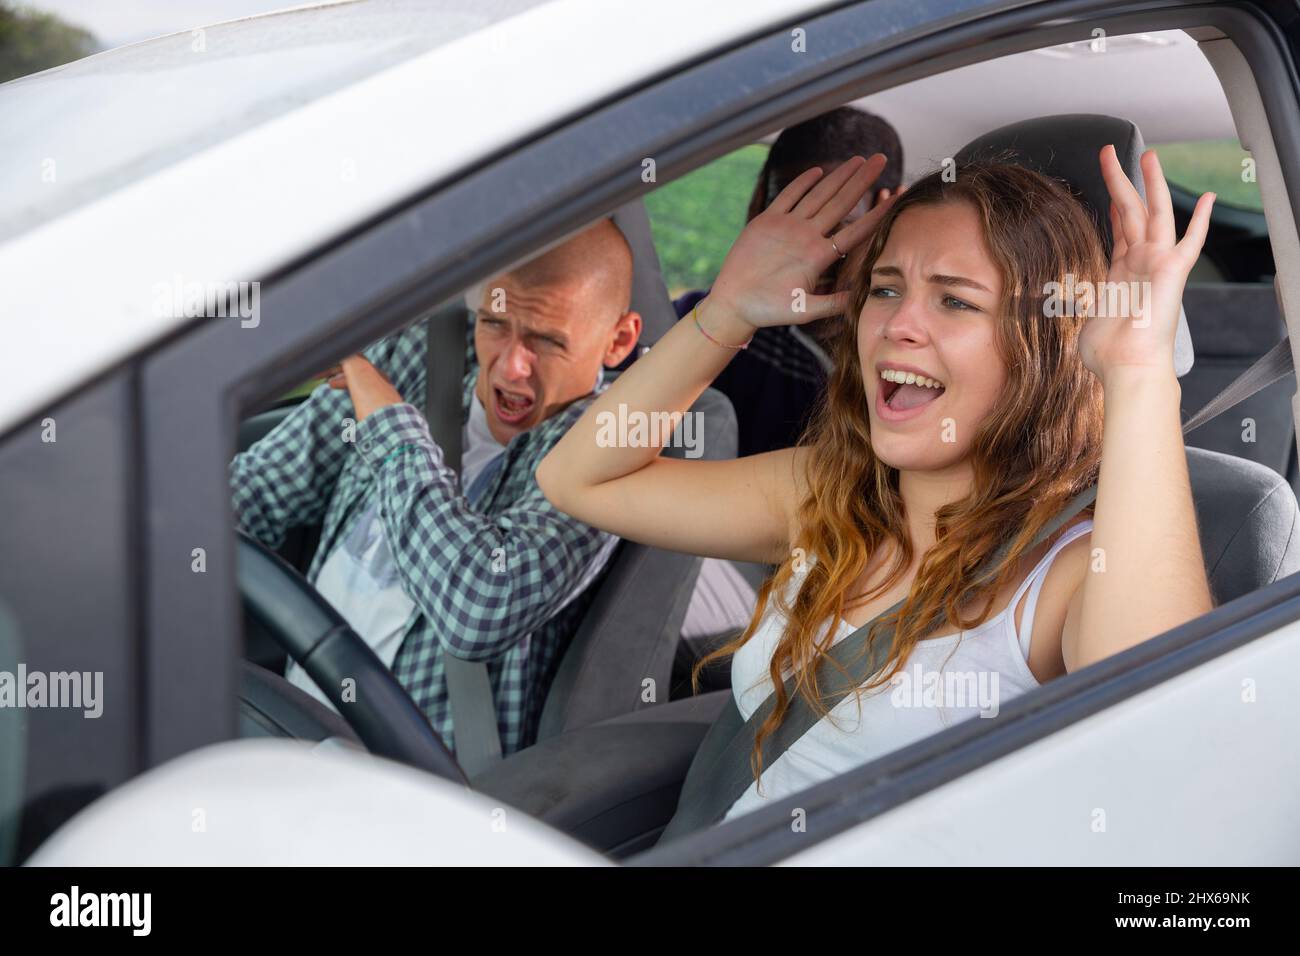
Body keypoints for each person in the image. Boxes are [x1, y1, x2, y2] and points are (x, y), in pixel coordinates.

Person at [537, 149, 1215, 820]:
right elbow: (578, 479)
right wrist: (729, 310)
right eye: (886, 289)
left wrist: (1136, 371)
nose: (898, 325)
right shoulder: (824, 498)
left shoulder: (1061, 577)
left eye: (955, 300)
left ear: (1044, 345)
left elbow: (1166, 736)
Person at [231, 220, 642, 757]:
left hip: (415, 774)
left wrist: (390, 424)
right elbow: (254, 492)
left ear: (619, 341)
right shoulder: (420, 357)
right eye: (495, 323)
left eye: (546, 340)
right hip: (292, 718)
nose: (512, 366)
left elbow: (476, 611)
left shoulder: (607, 447)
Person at [672, 107, 905, 676]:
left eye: (840, 224)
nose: (814, 249)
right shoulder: (701, 329)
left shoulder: (909, 357)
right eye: (792, 218)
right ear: (757, 207)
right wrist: (732, 310)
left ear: (886, 215)